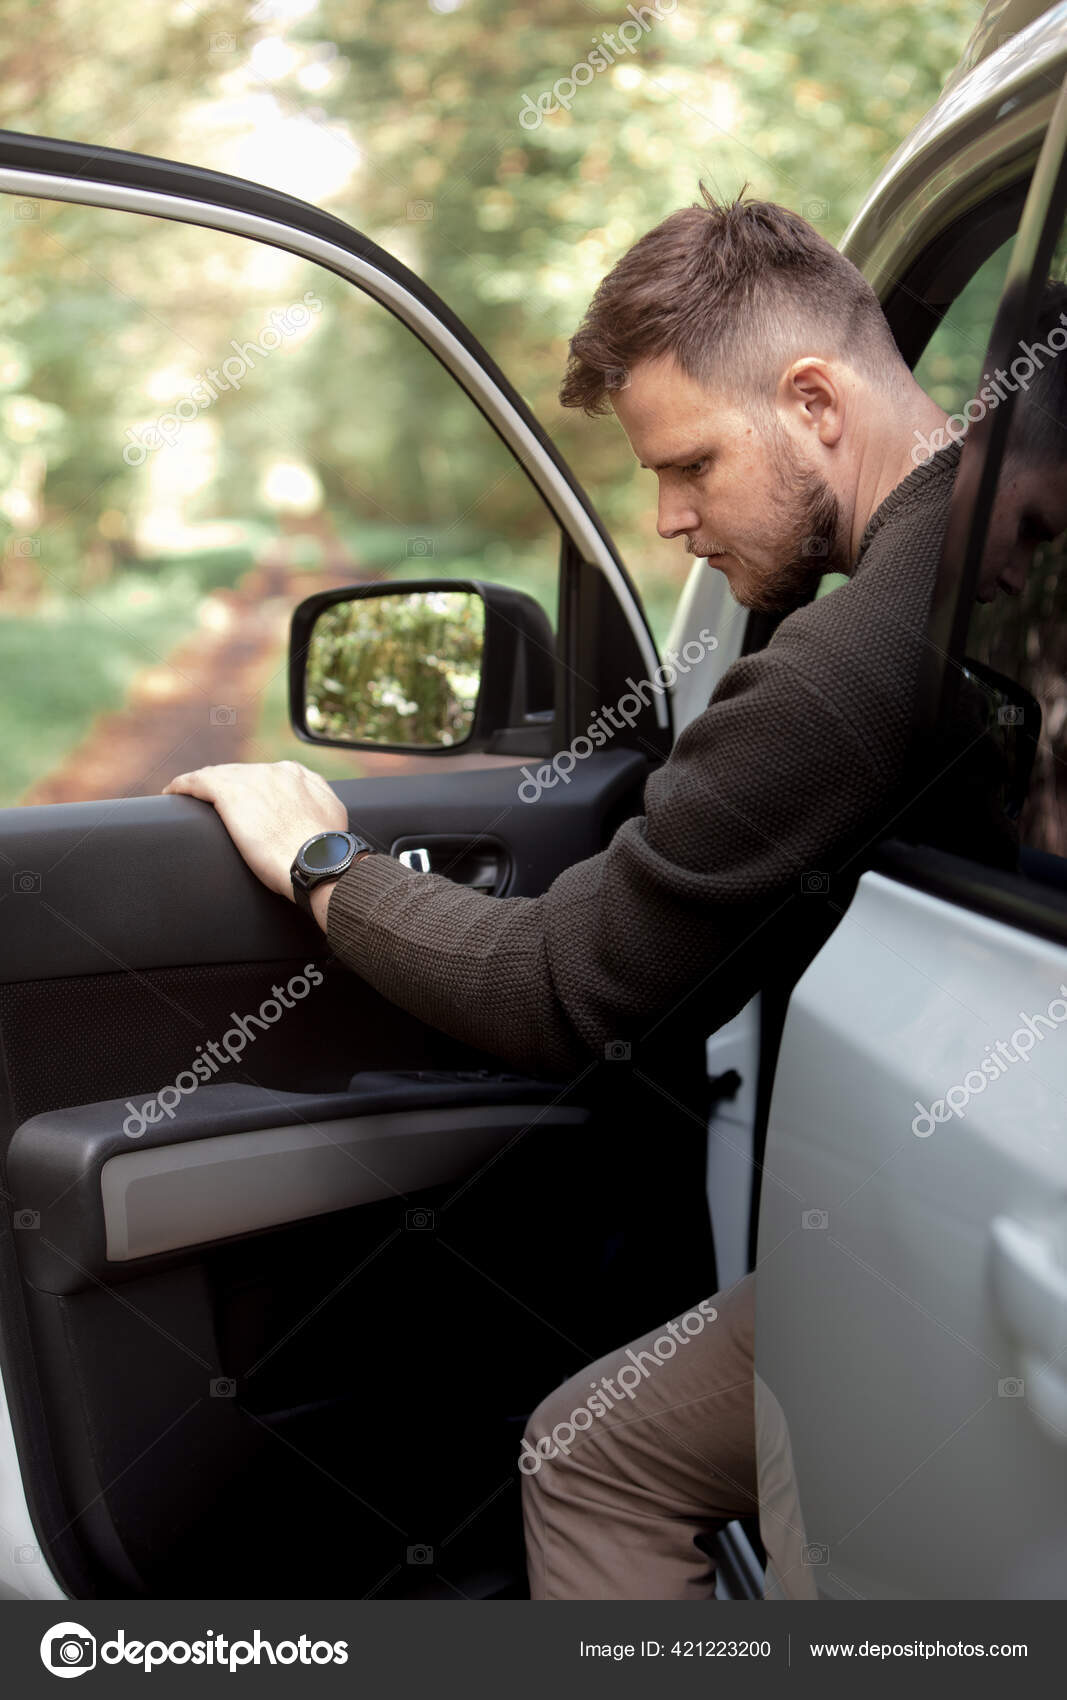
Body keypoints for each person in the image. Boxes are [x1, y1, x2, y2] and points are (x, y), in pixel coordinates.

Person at [160, 191, 1067, 1597]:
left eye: (693, 462)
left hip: (967, 1253)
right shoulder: (973, 598)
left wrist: (319, 860)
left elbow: (554, 986)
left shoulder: (844, 672)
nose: (668, 518)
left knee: (598, 1457)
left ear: (815, 402)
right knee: (592, 1441)